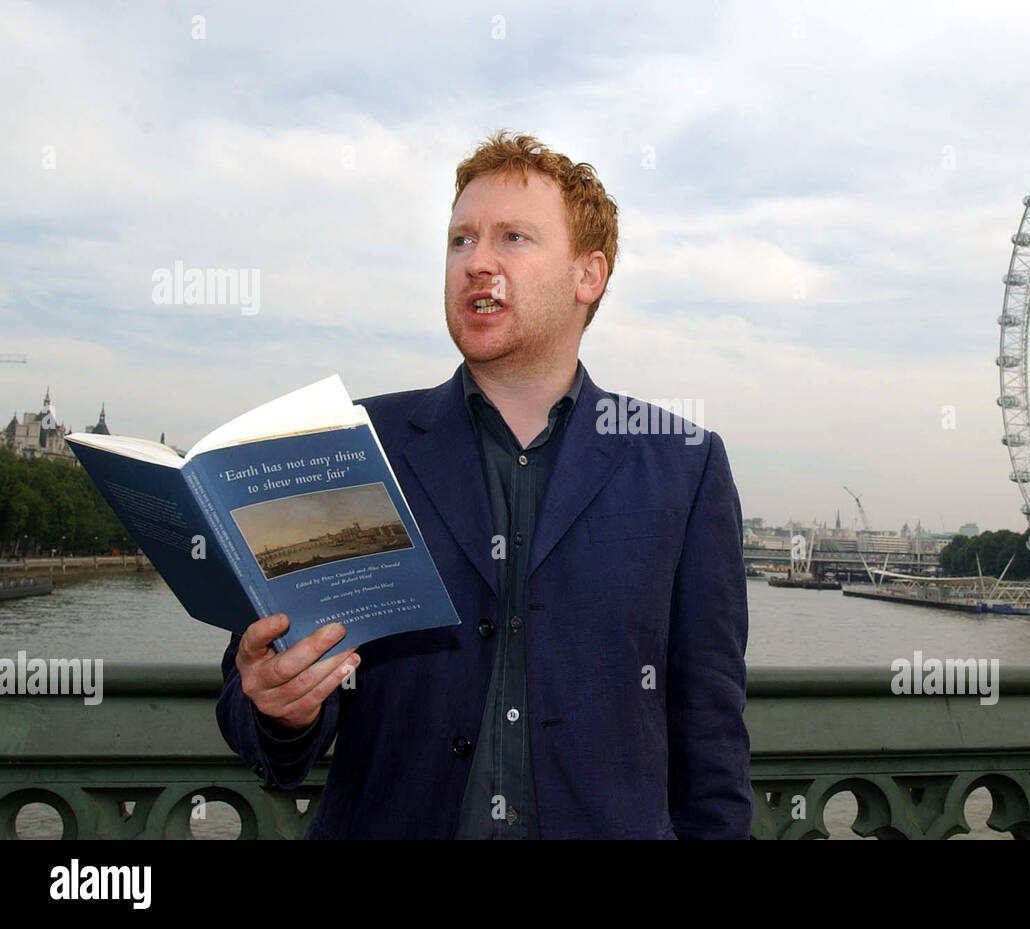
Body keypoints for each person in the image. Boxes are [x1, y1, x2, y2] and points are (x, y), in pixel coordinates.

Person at [216, 131, 752, 839]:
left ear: (588, 276)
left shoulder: (686, 465)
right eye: (460, 240)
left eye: (514, 238)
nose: (478, 263)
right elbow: (259, 711)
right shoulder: (352, 447)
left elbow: (709, 734)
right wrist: (278, 705)